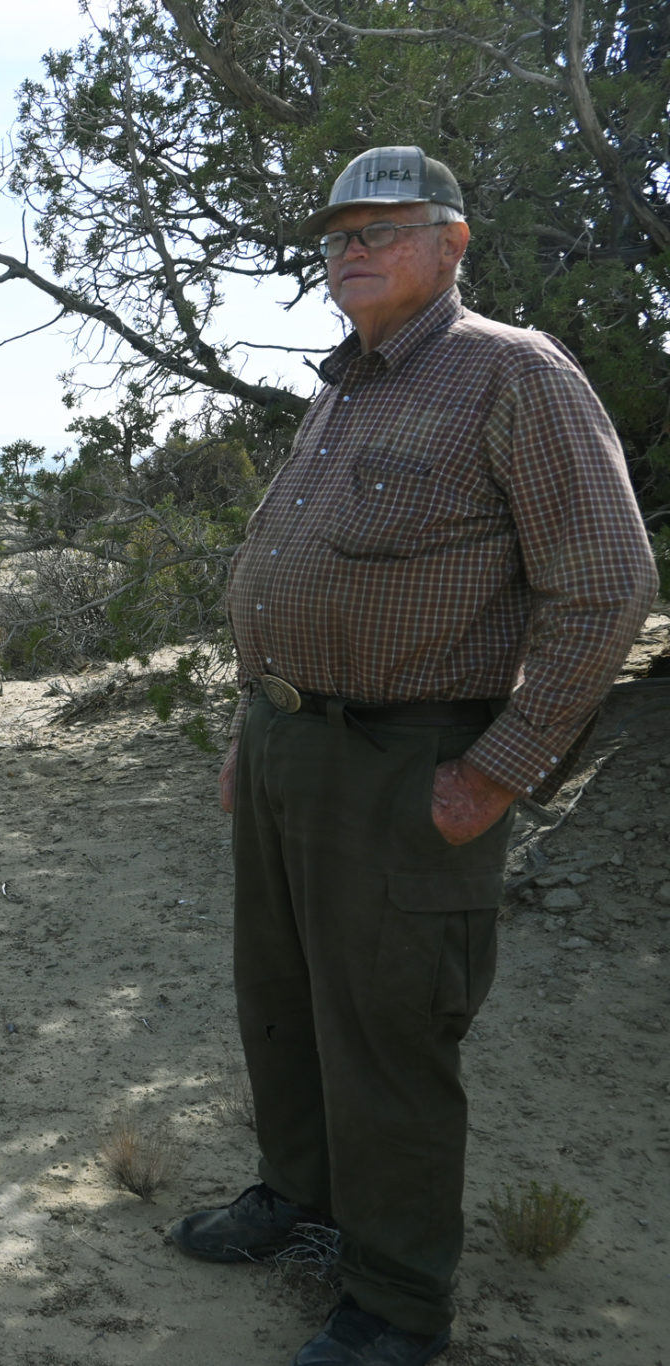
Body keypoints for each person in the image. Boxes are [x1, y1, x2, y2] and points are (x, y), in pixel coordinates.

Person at [169, 147, 657, 1366]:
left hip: (407, 756)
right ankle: (299, 1192)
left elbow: (603, 587)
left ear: (452, 242)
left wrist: (498, 769)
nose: (350, 248)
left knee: (390, 1029)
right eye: (337, 231)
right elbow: (289, 568)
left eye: (382, 226)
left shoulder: (510, 373)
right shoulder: (346, 384)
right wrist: (252, 723)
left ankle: (393, 1302)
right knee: (279, 998)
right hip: (288, 743)